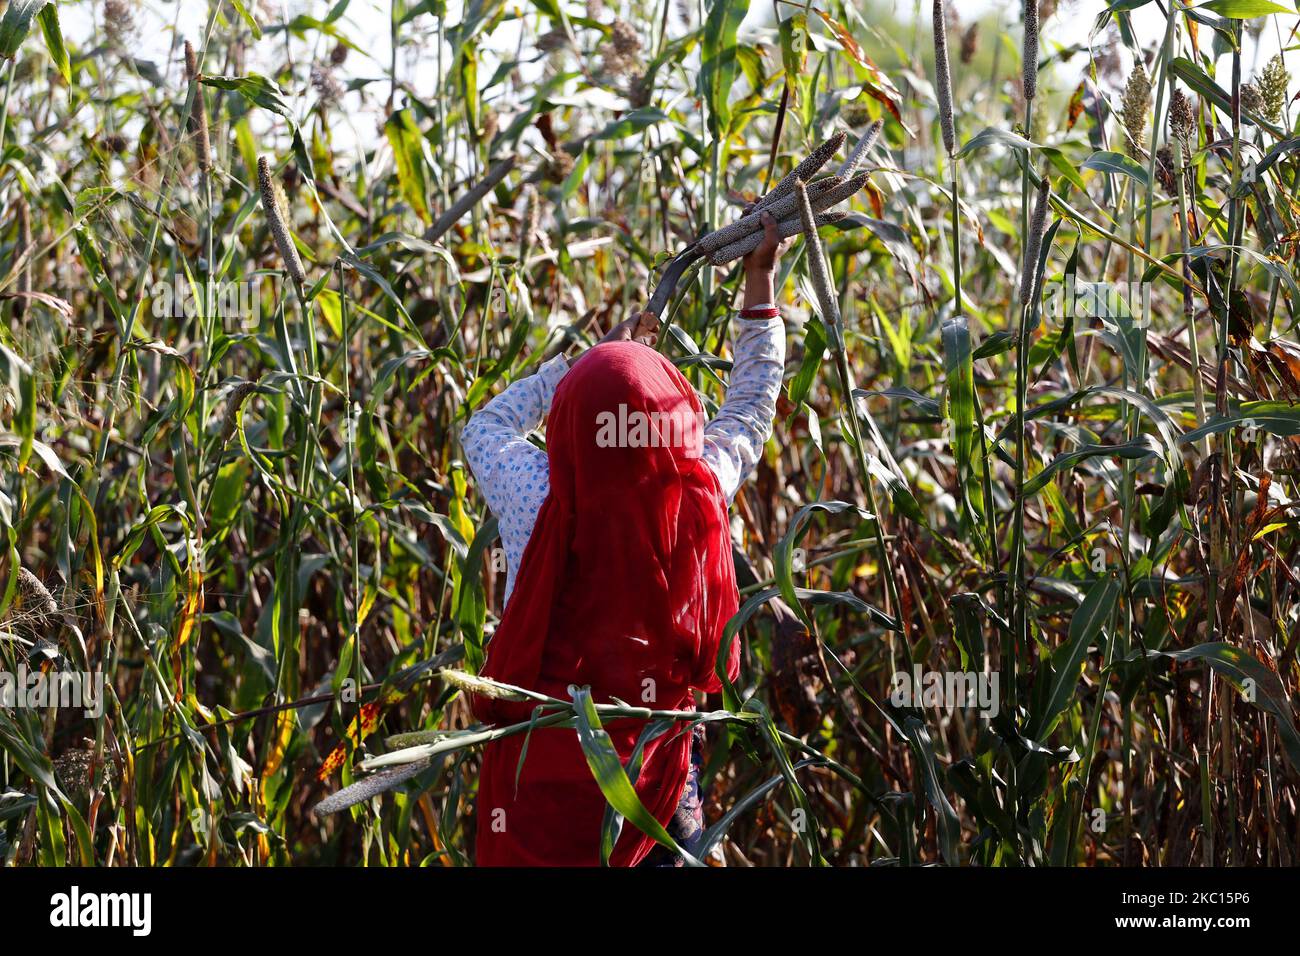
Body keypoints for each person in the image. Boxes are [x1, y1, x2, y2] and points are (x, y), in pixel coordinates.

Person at [461, 212, 789, 866]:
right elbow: (750, 411)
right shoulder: (695, 495)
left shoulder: (537, 492)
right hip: (650, 786)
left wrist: (574, 367)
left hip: (540, 779)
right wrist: (761, 286)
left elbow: (484, 429)